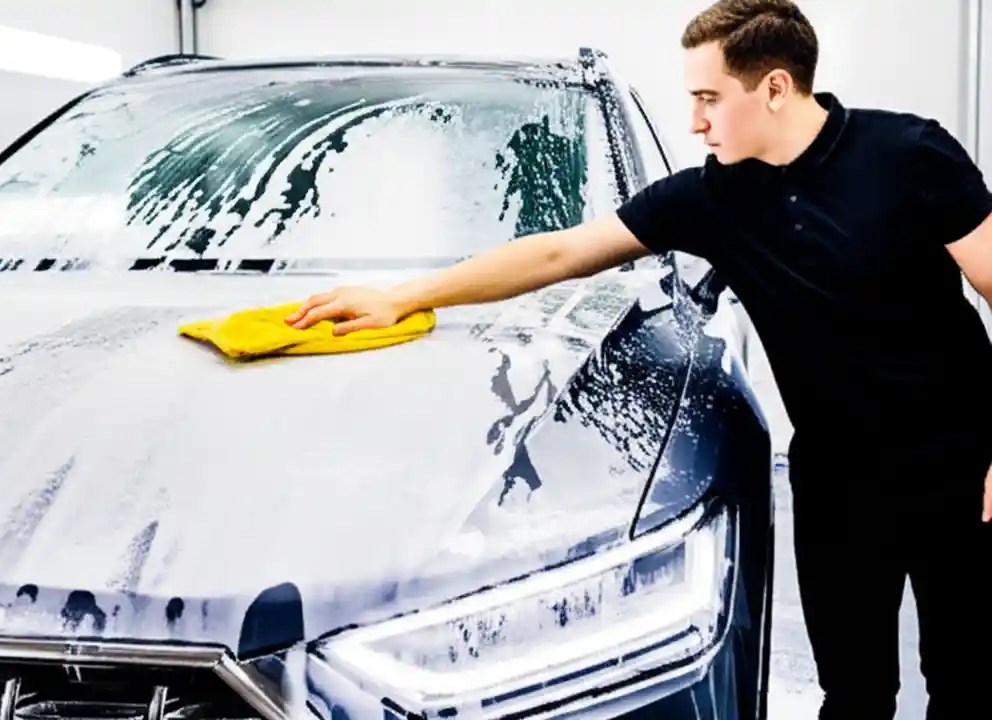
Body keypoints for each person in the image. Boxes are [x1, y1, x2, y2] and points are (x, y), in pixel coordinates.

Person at [284, 0, 992, 717]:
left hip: (963, 471)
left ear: (775, 88)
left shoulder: (908, 155)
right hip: (837, 484)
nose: (696, 122)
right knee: (855, 692)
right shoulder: (715, 199)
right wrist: (405, 297)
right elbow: (563, 252)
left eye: (709, 98)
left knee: (965, 683)